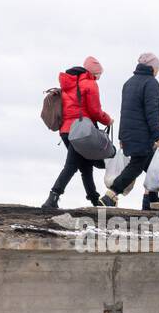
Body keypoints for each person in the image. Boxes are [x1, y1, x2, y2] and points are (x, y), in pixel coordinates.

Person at [42, 56, 112, 209]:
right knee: (72, 165)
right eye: (99, 74)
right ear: (94, 72)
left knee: (85, 165)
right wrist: (108, 120)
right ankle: (52, 197)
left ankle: (94, 199)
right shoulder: (90, 84)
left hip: (66, 132)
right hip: (81, 133)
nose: (100, 77)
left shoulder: (69, 84)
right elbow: (95, 111)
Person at [100, 53, 159, 210]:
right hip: (142, 134)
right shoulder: (151, 83)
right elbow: (151, 112)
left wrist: (122, 136)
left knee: (151, 167)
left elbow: (125, 112)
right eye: (157, 67)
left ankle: (154, 202)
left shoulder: (128, 83)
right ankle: (111, 194)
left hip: (130, 132)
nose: (158, 70)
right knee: (136, 166)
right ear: (152, 68)